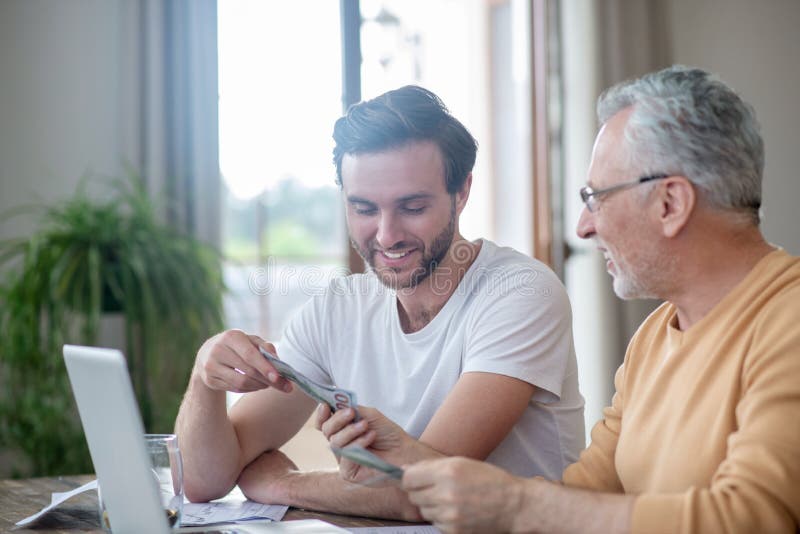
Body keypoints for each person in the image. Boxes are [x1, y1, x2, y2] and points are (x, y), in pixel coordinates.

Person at [322, 66, 800, 533]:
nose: (583, 227)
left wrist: (515, 504)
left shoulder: (789, 322)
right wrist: (405, 454)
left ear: (669, 204)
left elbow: (755, 517)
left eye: (596, 197)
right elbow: (588, 492)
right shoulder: (656, 335)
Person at [175, 85, 585, 520]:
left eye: (411, 206)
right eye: (364, 208)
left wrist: (282, 484)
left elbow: (425, 494)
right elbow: (203, 481)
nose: (387, 235)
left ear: (461, 191)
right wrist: (205, 378)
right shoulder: (340, 308)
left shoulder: (520, 292)